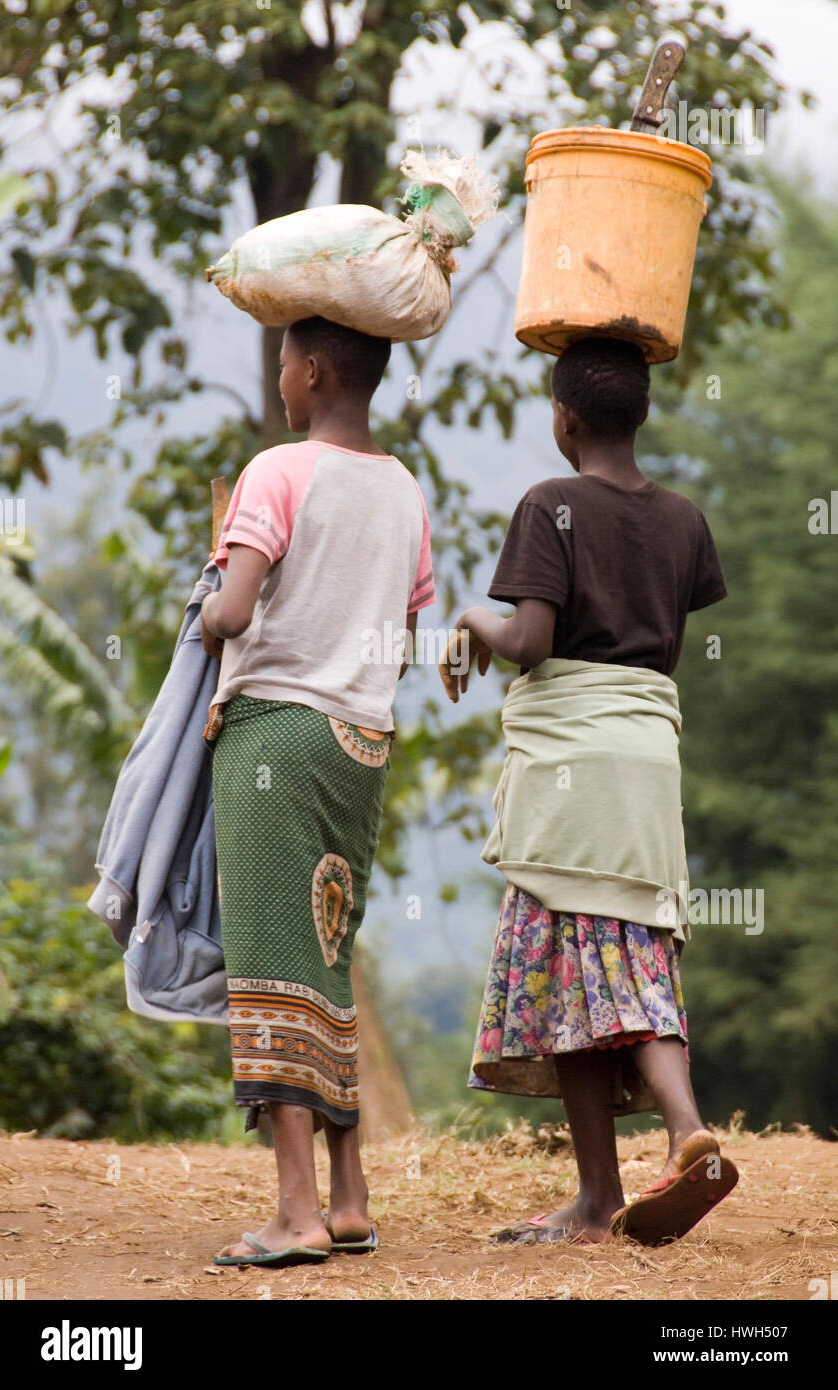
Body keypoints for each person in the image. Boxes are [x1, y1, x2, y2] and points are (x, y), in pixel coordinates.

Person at [439, 336, 737, 1247]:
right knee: (622, 956)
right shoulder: (684, 520)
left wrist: (467, 617)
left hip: (572, 770)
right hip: (647, 763)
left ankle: (655, 1155)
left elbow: (530, 640)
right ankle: (627, 1176)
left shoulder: (549, 504)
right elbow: (654, 636)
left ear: (561, 418)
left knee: (576, 963)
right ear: (639, 415)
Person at [200, 315, 434, 1268]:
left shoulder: (276, 473)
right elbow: (404, 638)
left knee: (270, 959)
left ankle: (293, 1213)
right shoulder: (404, 490)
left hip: (275, 735)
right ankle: (347, 1199)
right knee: (329, 952)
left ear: (314, 370)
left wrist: (213, 585)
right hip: (360, 742)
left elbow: (235, 610)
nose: (282, 378)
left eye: (285, 363)